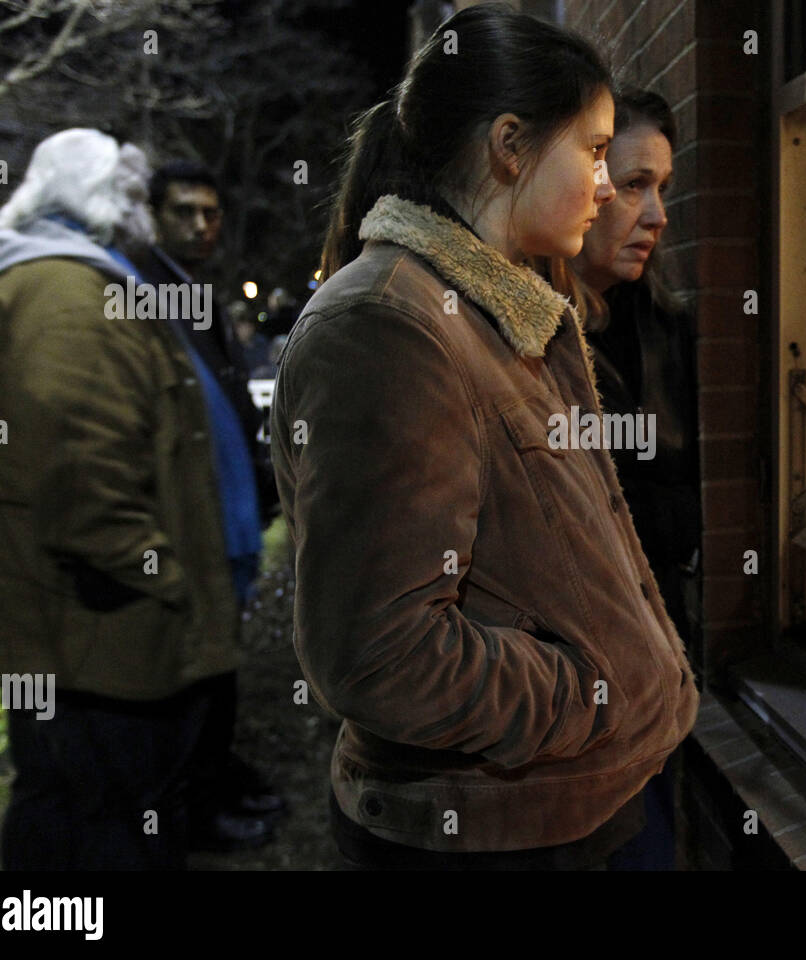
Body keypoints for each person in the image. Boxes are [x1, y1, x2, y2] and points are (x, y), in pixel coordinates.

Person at [270, 4, 699, 871]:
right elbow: (380, 654)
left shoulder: (502, 309)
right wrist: (594, 691)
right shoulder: (390, 324)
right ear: (510, 146)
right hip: (489, 834)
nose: (609, 184)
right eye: (591, 150)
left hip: (560, 810)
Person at [0, 129, 244, 869]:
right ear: (98, 196)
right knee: (113, 818)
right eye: (128, 191)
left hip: (55, 618)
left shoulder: (26, 279)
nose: (140, 209)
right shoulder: (69, 298)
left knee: (57, 798)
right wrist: (168, 583)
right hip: (97, 631)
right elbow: (83, 484)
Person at [556, 88, 696, 870]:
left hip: (660, 671)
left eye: (664, 189)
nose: (657, 213)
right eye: (637, 184)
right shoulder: (530, 339)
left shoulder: (669, 329)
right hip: (575, 703)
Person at [141, 160, 287, 852]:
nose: (202, 225)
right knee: (194, 678)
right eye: (184, 212)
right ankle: (197, 808)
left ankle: (216, 781)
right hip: (188, 526)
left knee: (218, 668)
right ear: (154, 217)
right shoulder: (143, 294)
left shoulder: (193, 293)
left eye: (211, 212)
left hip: (225, 518)